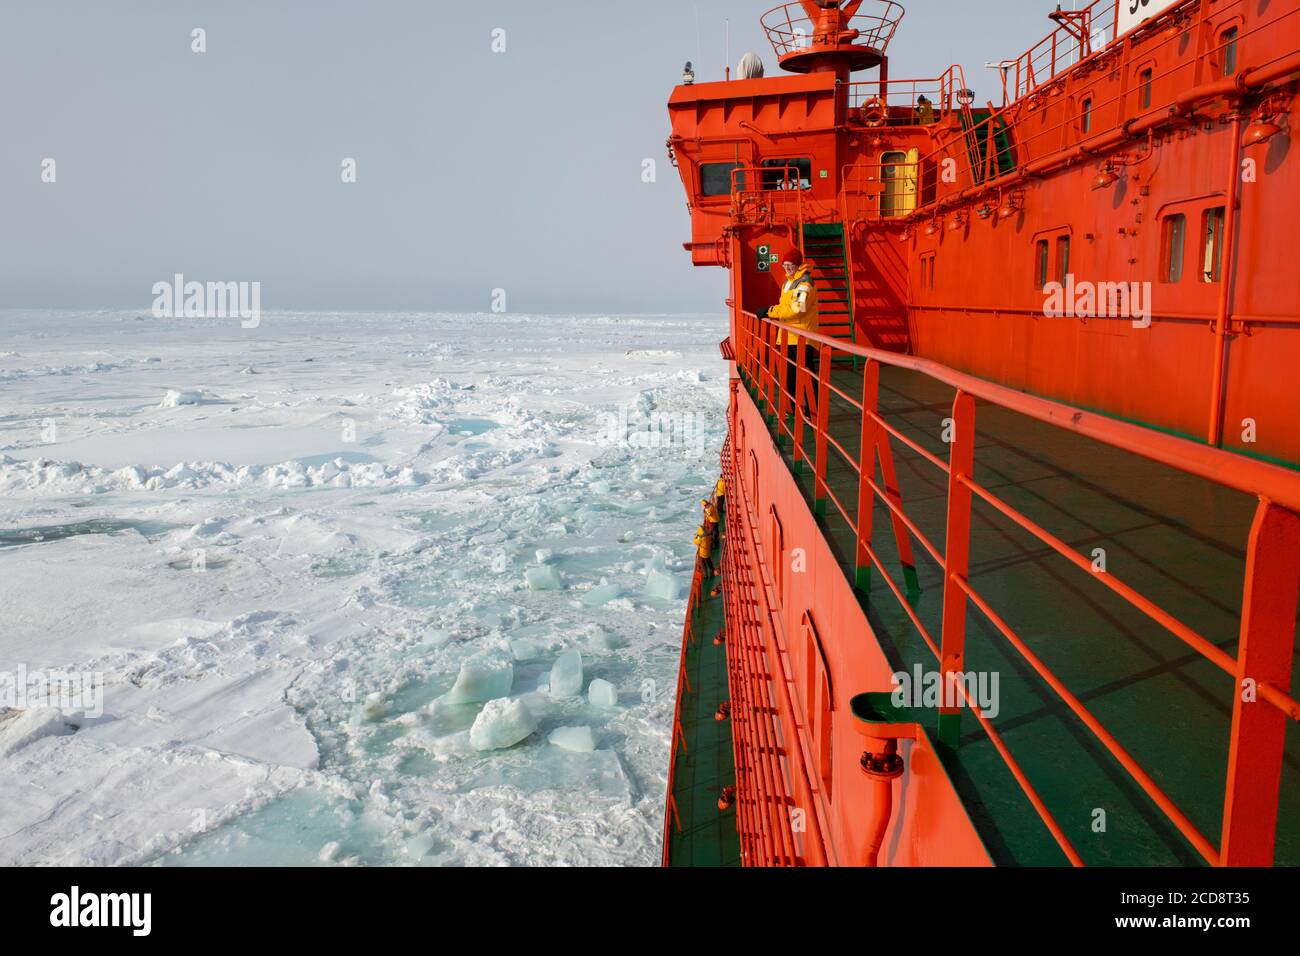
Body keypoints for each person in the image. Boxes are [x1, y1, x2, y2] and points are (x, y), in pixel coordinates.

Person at [759, 246, 819, 420]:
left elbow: (796, 308)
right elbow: (787, 307)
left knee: (806, 375)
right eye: (784, 264)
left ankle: (812, 412)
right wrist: (775, 311)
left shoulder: (805, 283)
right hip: (788, 336)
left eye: (789, 264)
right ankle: (793, 408)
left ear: (797, 264)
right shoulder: (788, 283)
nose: (786, 267)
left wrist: (770, 311)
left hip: (802, 337)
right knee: (790, 375)